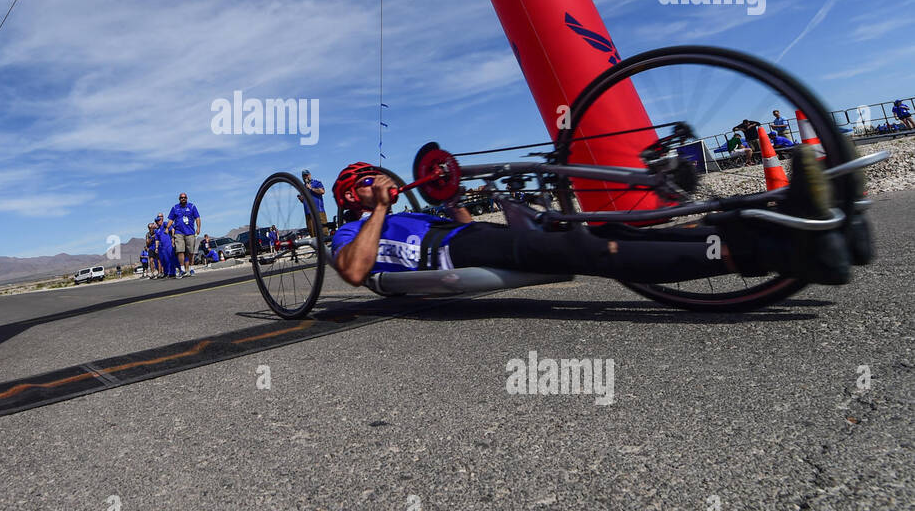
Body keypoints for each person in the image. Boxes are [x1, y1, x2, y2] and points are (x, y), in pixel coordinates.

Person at [328, 157, 853, 290]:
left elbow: (460, 221)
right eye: (372, 183)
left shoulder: (412, 211)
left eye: (384, 181)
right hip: (457, 258)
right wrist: (378, 209)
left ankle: (789, 228)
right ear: (354, 195)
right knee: (596, 254)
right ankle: (776, 255)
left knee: (612, 232)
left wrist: (455, 198)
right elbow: (355, 273)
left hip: (477, 236)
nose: (385, 186)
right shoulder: (349, 231)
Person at [166, 192, 202, 277]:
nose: (183, 199)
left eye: (184, 197)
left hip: (190, 232)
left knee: (190, 252)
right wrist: (167, 228)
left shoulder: (192, 206)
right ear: (179, 199)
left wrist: (198, 228)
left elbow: (197, 217)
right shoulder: (175, 208)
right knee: (180, 251)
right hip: (179, 232)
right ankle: (182, 270)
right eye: (181, 197)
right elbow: (171, 219)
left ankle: (191, 269)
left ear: (187, 198)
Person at [300, 169, 328, 237]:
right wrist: (301, 199)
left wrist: (311, 188)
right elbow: (303, 200)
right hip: (308, 213)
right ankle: (317, 247)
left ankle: (326, 244)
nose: (305, 177)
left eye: (306, 175)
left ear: (310, 175)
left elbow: (322, 191)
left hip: (318, 211)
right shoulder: (302, 187)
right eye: (304, 176)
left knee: (323, 231)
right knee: (312, 234)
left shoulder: (317, 183)